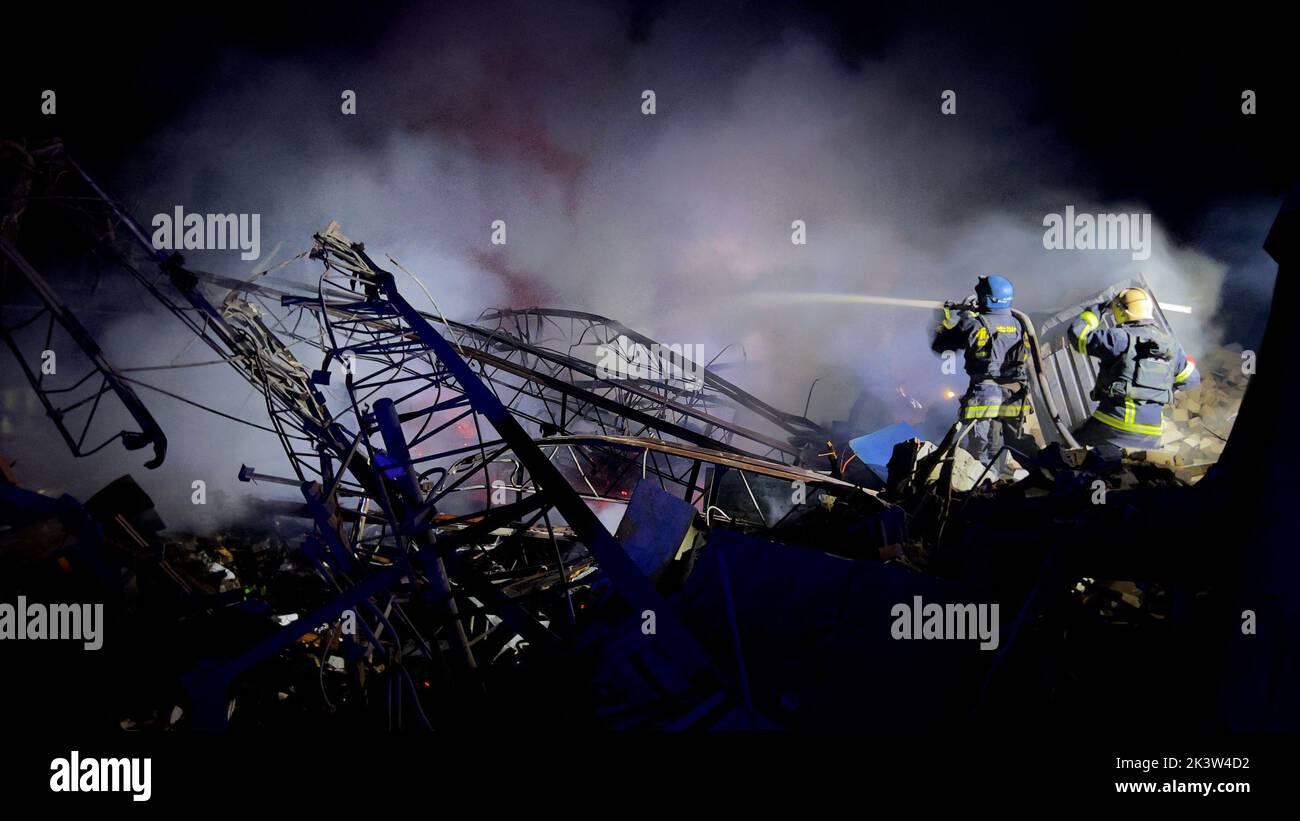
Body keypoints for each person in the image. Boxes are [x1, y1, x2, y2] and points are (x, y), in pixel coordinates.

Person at [1067, 287, 1199, 460]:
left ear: (1122, 312)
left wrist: (1096, 311)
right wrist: (1158, 387)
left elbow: (1079, 336)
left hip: (1114, 424)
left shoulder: (1119, 338)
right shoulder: (1170, 344)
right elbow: (1192, 379)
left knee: (1070, 451)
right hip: (1152, 433)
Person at [931, 275, 1030, 467]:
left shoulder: (974, 324)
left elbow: (941, 346)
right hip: (1014, 395)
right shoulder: (1020, 323)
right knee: (1009, 445)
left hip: (986, 396)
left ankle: (982, 490)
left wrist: (945, 320)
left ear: (985, 298)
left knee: (980, 452)